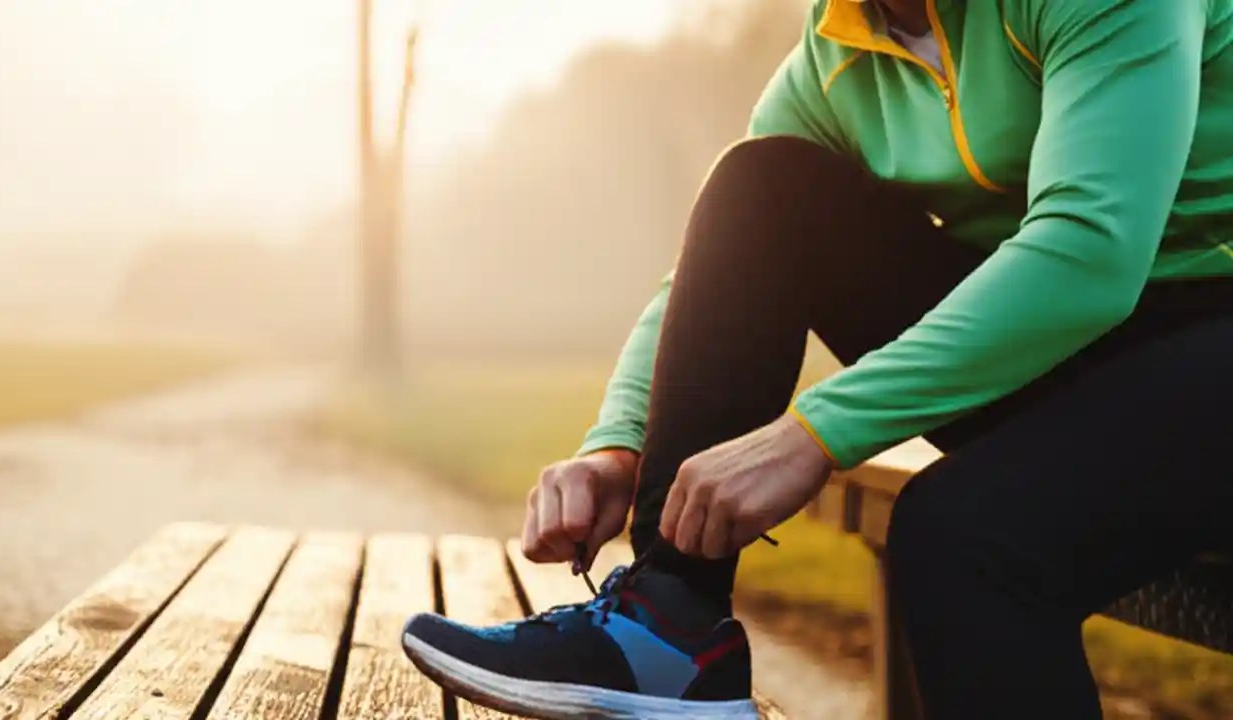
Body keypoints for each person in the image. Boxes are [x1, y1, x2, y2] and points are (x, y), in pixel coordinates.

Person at [402, 0, 1233, 717]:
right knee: (762, 191)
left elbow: (1090, 253)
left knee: (962, 534)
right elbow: (720, 261)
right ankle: (668, 626)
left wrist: (812, 433)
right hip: (1092, 351)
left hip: (1202, 333)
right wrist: (616, 443)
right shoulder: (844, 45)